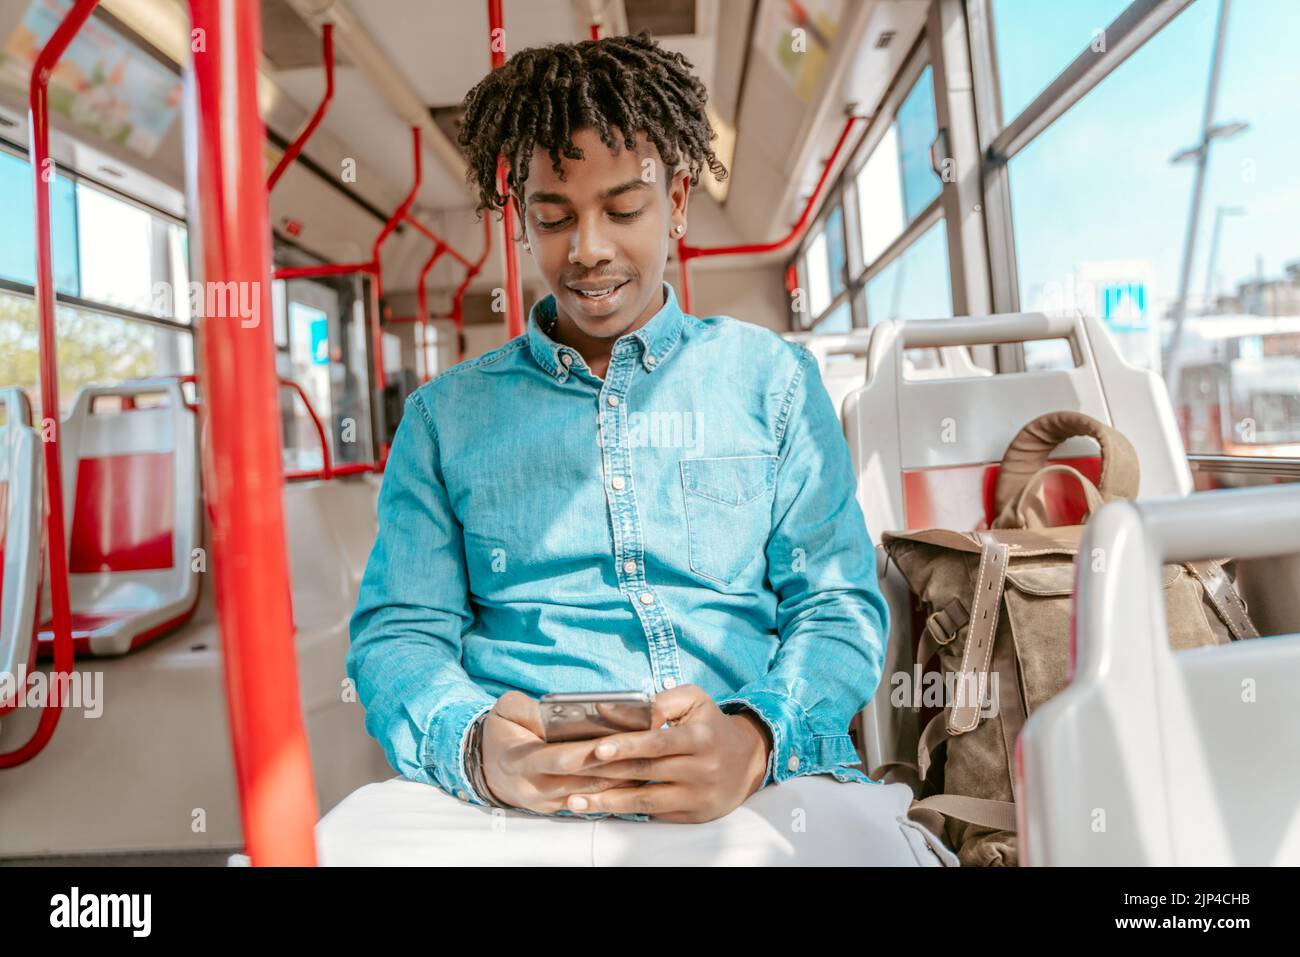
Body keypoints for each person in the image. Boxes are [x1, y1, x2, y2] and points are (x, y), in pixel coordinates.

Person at [316, 31, 956, 866]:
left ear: (678, 200)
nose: (588, 248)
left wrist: (757, 738)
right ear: (521, 217)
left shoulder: (775, 384)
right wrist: (478, 746)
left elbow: (835, 607)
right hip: (516, 802)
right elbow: (400, 635)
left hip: (754, 779)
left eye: (624, 209)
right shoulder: (444, 419)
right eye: (553, 216)